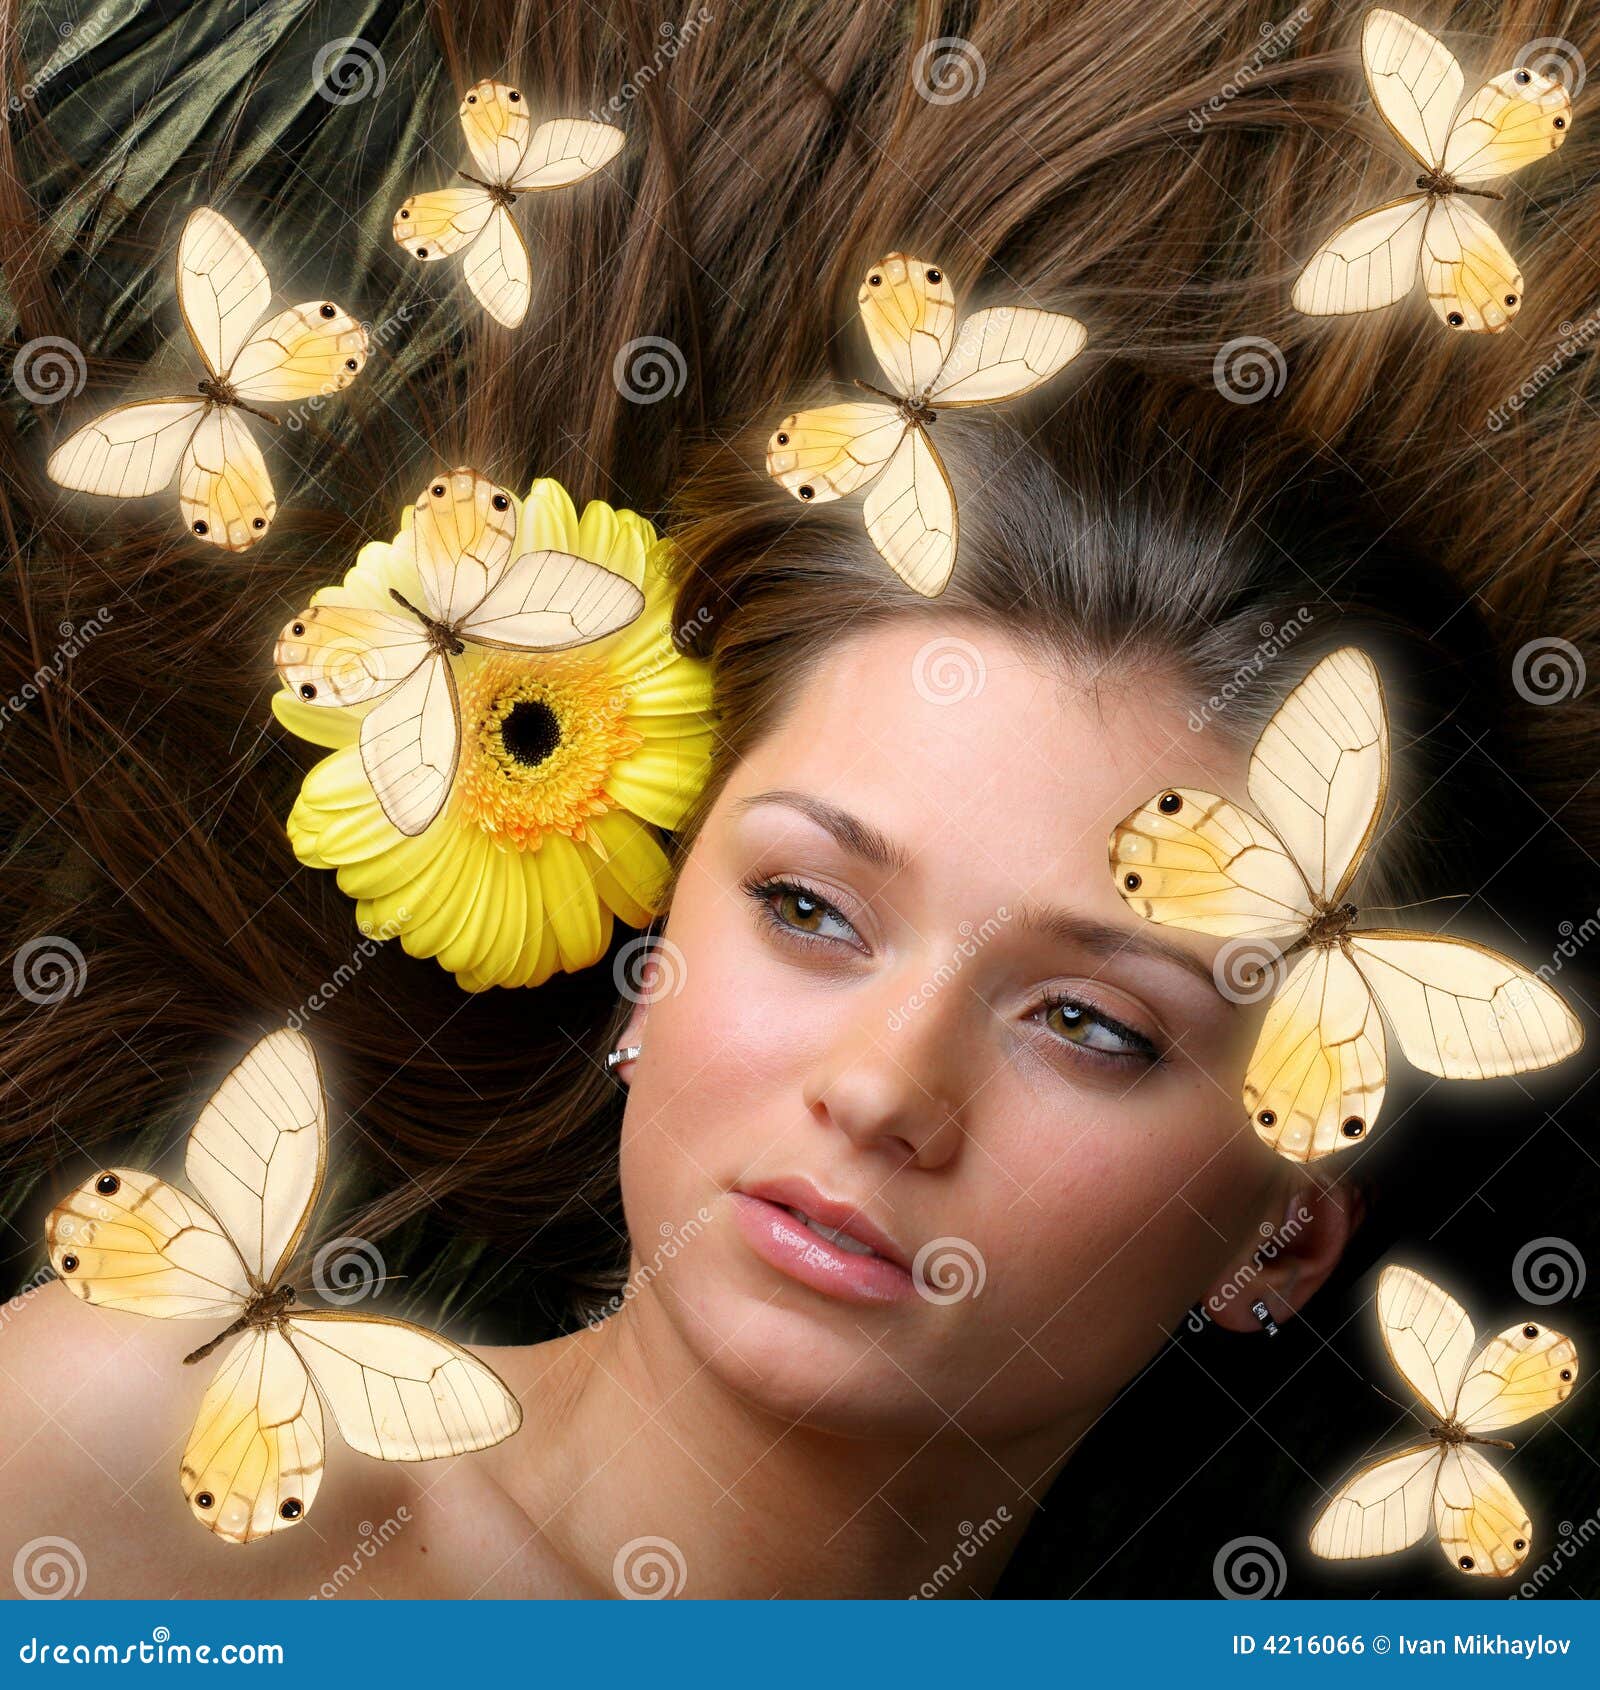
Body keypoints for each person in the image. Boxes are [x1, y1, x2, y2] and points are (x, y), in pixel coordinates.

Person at [0, 0, 1594, 1599]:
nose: (887, 1087)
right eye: (808, 909)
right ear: (651, 953)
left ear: (1283, 1228)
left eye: (1094, 1022)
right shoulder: (137, 1455)